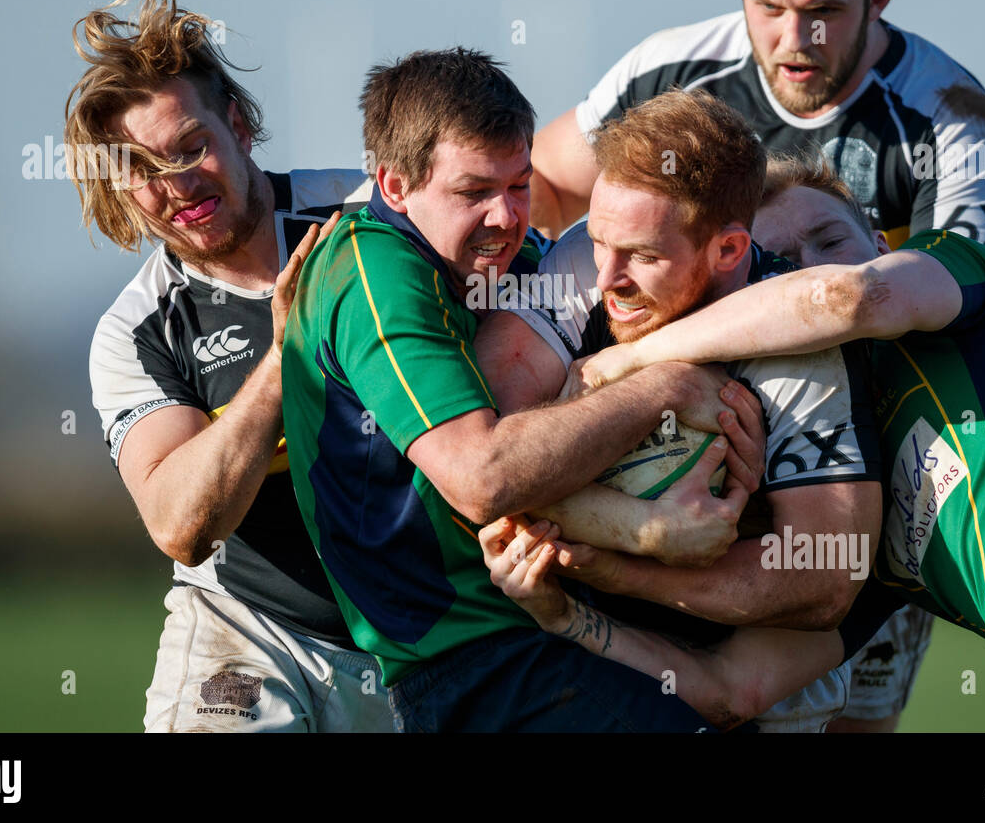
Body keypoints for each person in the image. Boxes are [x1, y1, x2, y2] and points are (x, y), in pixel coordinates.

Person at [568, 157, 985, 731]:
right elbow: (733, 688)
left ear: (884, 248)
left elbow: (849, 298)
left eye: (830, 241)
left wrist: (631, 359)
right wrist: (574, 609)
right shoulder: (842, 501)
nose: (809, 268)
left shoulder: (954, 269)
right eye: (775, 259)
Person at [279, 48, 756, 732]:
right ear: (393, 185)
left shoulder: (519, 261)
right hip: (478, 660)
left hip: (561, 625)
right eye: (474, 192)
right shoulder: (372, 270)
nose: (507, 217)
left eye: (520, 184)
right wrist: (663, 389)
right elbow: (483, 477)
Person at [473, 88, 883, 732]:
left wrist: (621, 565)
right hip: (589, 654)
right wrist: (644, 523)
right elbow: (487, 463)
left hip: (757, 674)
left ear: (728, 251)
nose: (608, 278)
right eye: (601, 239)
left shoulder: (805, 349)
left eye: (644, 255)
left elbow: (824, 580)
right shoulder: (591, 253)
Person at [66, 0, 391, 732]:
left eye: (192, 147)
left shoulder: (370, 220)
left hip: (416, 639)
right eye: (143, 171)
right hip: (248, 631)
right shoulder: (136, 331)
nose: (176, 185)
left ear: (238, 125)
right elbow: (181, 524)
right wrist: (285, 357)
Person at [527, 0, 985, 271]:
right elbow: (544, 180)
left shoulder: (956, 120)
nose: (795, 39)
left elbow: (973, 304)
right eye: (768, 7)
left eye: (823, 10)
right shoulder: (668, 73)